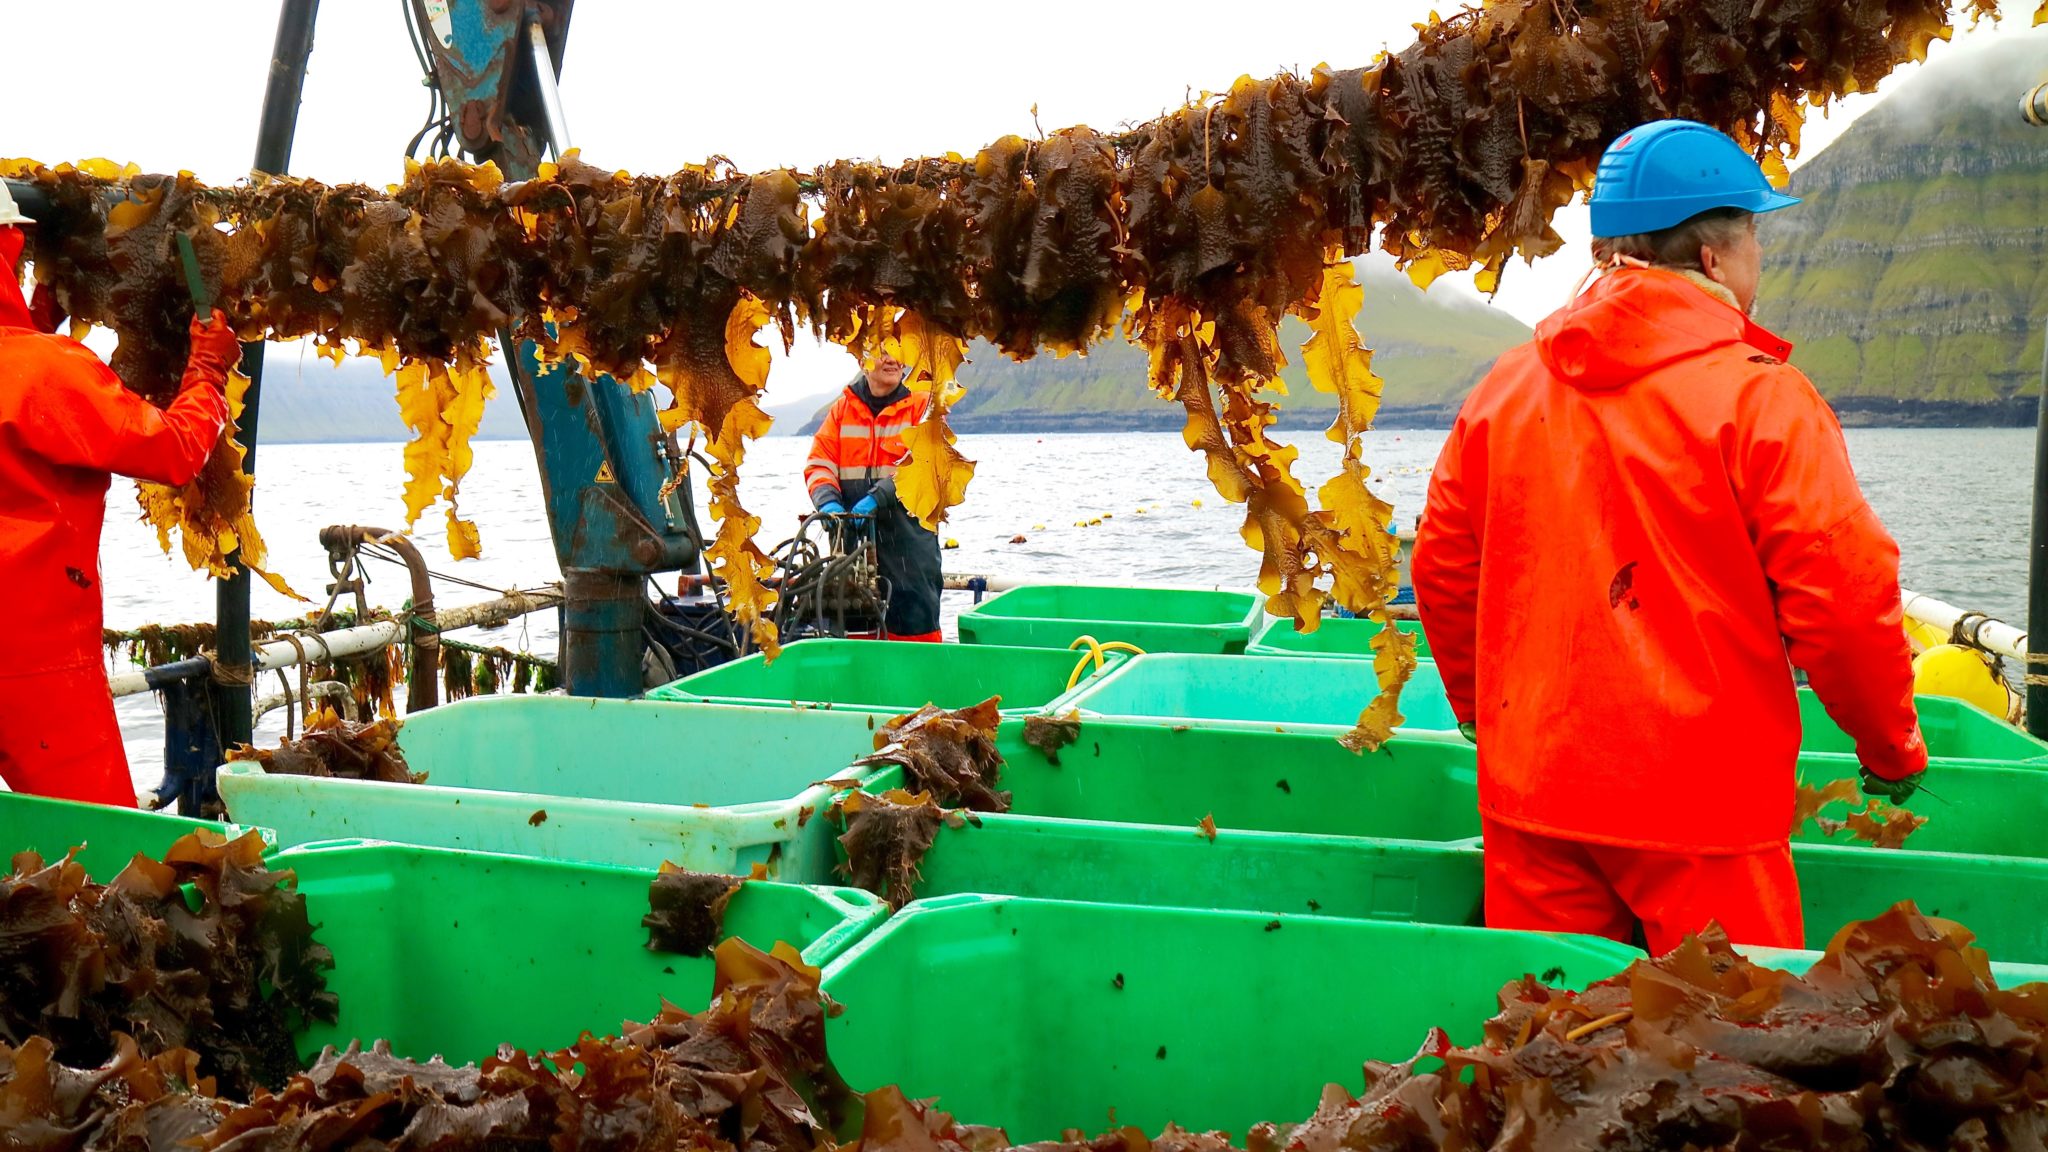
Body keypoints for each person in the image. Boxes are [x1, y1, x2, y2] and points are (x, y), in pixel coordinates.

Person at [1411, 120, 1928, 955]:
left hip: (1534, 797)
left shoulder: (1506, 387)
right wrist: (1890, 748)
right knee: (1732, 1059)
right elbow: (1844, 594)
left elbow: (1441, 568)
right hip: (1704, 815)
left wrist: (1485, 715)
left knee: (1546, 1052)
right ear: (1718, 259)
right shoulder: (1761, 399)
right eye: (1756, 230)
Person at [0, 181, 240, 806]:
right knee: (100, 855)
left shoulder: (38, 363)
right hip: (34, 661)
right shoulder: (47, 371)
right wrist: (209, 370)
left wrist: (41, 314)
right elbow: (175, 450)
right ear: (9, 243)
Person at [804, 351, 943, 641]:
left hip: (911, 551)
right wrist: (827, 501)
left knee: (916, 640)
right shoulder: (841, 411)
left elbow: (926, 461)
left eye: (898, 352)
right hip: (853, 554)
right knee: (855, 643)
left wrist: (878, 498)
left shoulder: (922, 407)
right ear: (862, 360)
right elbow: (819, 463)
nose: (893, 360)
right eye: (883, 353)